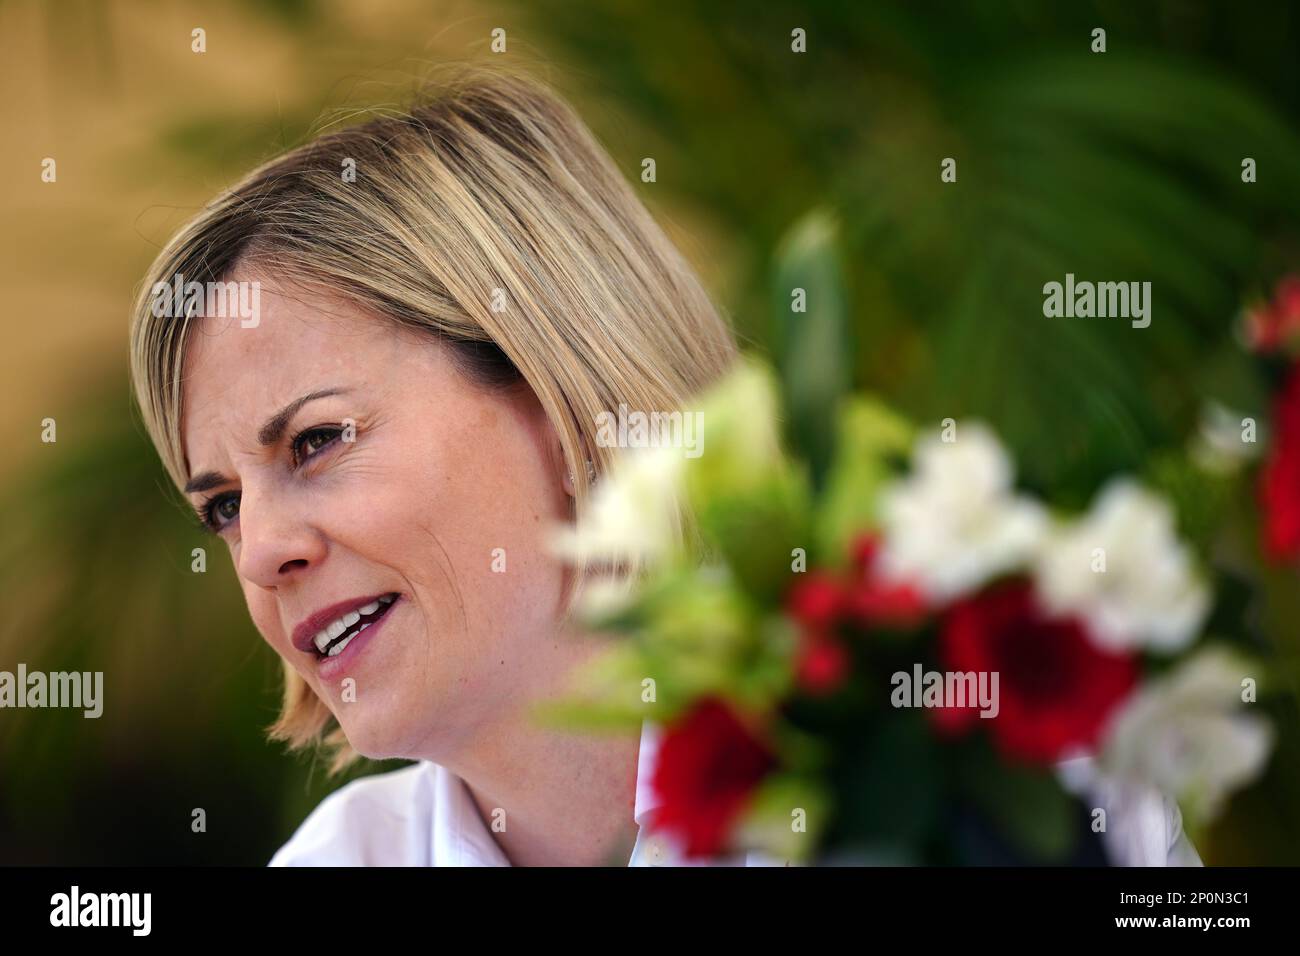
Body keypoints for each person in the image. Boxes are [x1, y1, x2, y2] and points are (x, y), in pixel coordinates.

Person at [128, 69, 1197, 867]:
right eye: (219, 505)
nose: (261, 550)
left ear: (560, 388)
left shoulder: (959, 760)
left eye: (315, 441)